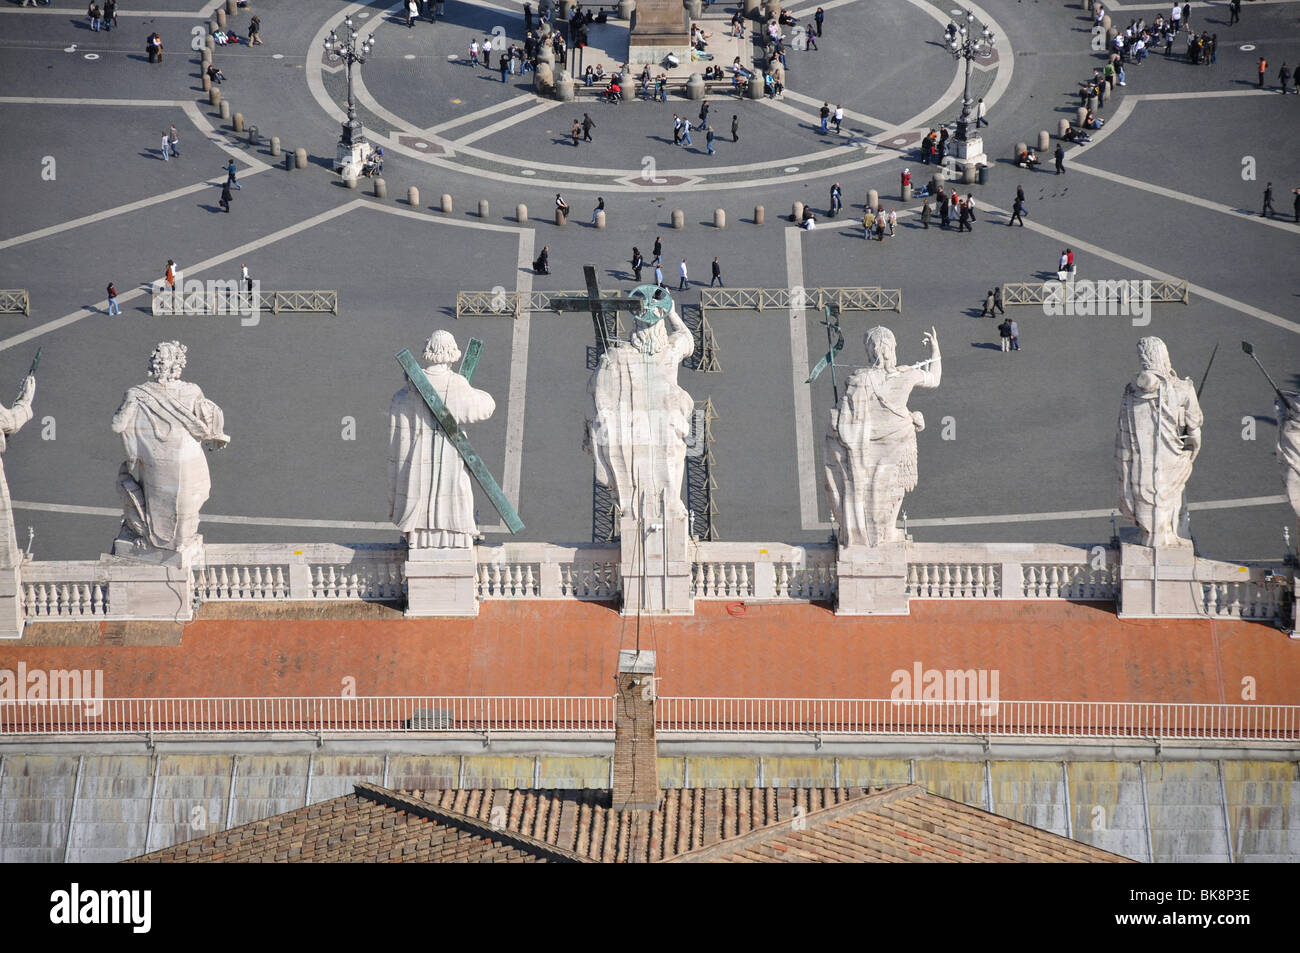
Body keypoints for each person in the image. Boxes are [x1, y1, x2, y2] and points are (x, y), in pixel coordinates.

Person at [824, 326, 941, 547]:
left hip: (865, 446)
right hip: (900, 440)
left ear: (870, 351)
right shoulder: (908, 374)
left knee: (871, 487)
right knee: (896, 486)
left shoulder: (859, 379)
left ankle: (865, 532)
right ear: (893, 347)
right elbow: (935, 378)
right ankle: (887, 530)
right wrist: (935, 352)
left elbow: (842, 418)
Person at [112, 341, 229, 553]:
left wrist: (130, 402)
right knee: (183, 505)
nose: (158, 362)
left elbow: (117, 425)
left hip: (159, 460)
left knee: (160, 503)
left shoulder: (138, 393)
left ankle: (164, 542)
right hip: (182, 461)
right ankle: (177, 543)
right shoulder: (191, 391)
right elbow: (208, 424)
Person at [388, 331, 497, 549]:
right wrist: (476, 392)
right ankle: (453, 534)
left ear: (429, 350)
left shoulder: (409, 389)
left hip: (418, 456)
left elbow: (398, 419)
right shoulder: (456, 383)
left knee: (423, 494)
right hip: (449, 451)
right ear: (451, 351)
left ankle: (421, 536)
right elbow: (484, 408)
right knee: (455, 491)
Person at [1115, 337, 1203, 547]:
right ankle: (1165, 536)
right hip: (1170, 456)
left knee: (1146, 491)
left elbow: (1123, 432)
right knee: (1167, 493)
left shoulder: (1131, 391)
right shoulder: (1182, 389)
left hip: (1139, 459)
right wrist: (1192, 451)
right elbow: (1195, 430)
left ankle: (1153, 535)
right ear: (1164, 356)